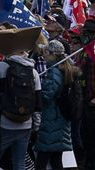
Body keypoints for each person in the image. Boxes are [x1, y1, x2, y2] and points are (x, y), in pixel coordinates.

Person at [0, 46, 42, 170]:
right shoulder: (33, 72)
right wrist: (36, 125)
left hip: (3, 122)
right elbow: (38, 103)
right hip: (26, 123)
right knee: (19, 163)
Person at [35, 41, 79, 170]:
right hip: (60, 119)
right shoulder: (64, 68)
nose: (44, 56)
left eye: (46, 53)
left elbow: (47, 95)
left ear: (52, 54)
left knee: (42, 159)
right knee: (56, 160)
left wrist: (36, 90)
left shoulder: (54, 72)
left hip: (51, 119)